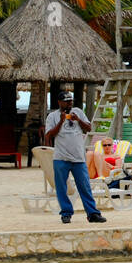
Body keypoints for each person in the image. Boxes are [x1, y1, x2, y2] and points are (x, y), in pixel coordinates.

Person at [44, 90, 106, 225]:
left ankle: (92, 213)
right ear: (59, 102)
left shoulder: (78, 111)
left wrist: (78, 119)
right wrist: (61, 122)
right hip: (61, 157)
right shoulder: (52, 116)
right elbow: (49, 135)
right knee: (61, 187)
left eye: (70, 101)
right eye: (66, 101)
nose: (69, 103)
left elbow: (88, 128)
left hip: (79, 158)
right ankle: (66, 213)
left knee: (84, 185)